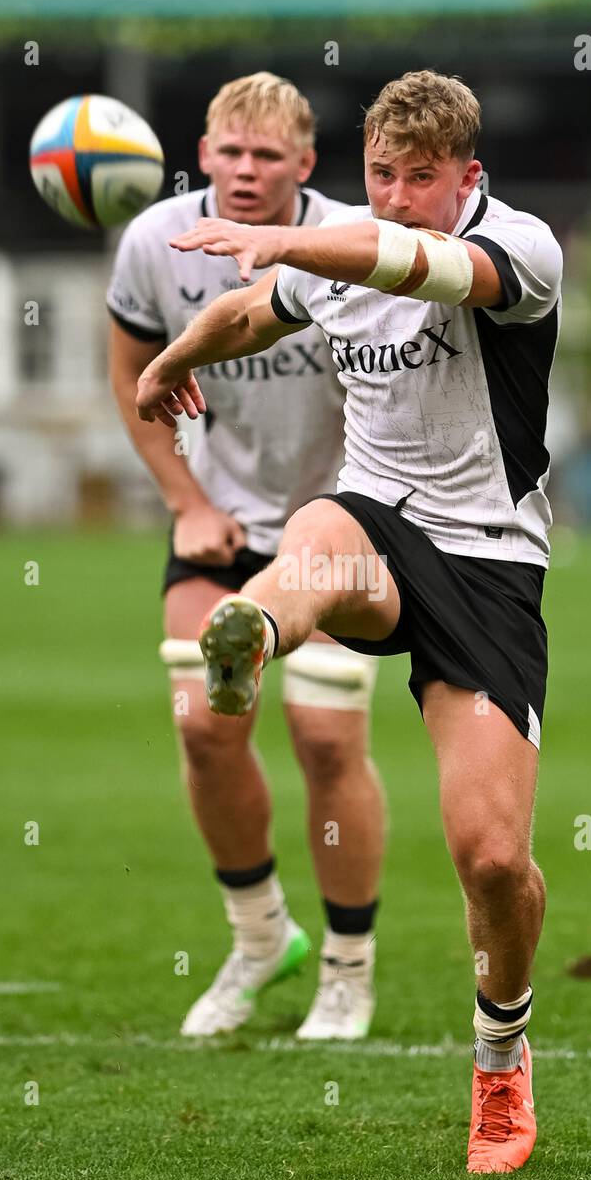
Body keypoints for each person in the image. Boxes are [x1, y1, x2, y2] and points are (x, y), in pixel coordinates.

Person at [134, 69, 563, 1174]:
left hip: (487, 562)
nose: (399, 195)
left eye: (422, 177)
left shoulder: (516, 246)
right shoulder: (340, 249)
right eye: (381, 175)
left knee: (492, 858)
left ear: (468, 176)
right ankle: (253, 635)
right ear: (361, 169)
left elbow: (411, 266)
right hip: (372, 525)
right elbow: (250, 309)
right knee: (320, 527)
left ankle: (501, 1066)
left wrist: (290, 247)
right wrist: (178, 357)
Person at [107, 73, 386, 1041]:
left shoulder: (346, 244)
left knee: (323, 737)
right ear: (204, 149)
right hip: (218, 529)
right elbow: (129, 376)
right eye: (229, 150)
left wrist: (363, 512)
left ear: (304, 167)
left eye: (267, 156)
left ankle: (347, 970)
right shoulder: (153, 244)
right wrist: (186, 502)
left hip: (338, 529)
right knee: (202, 725)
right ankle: (262, 937)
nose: (244, 169)